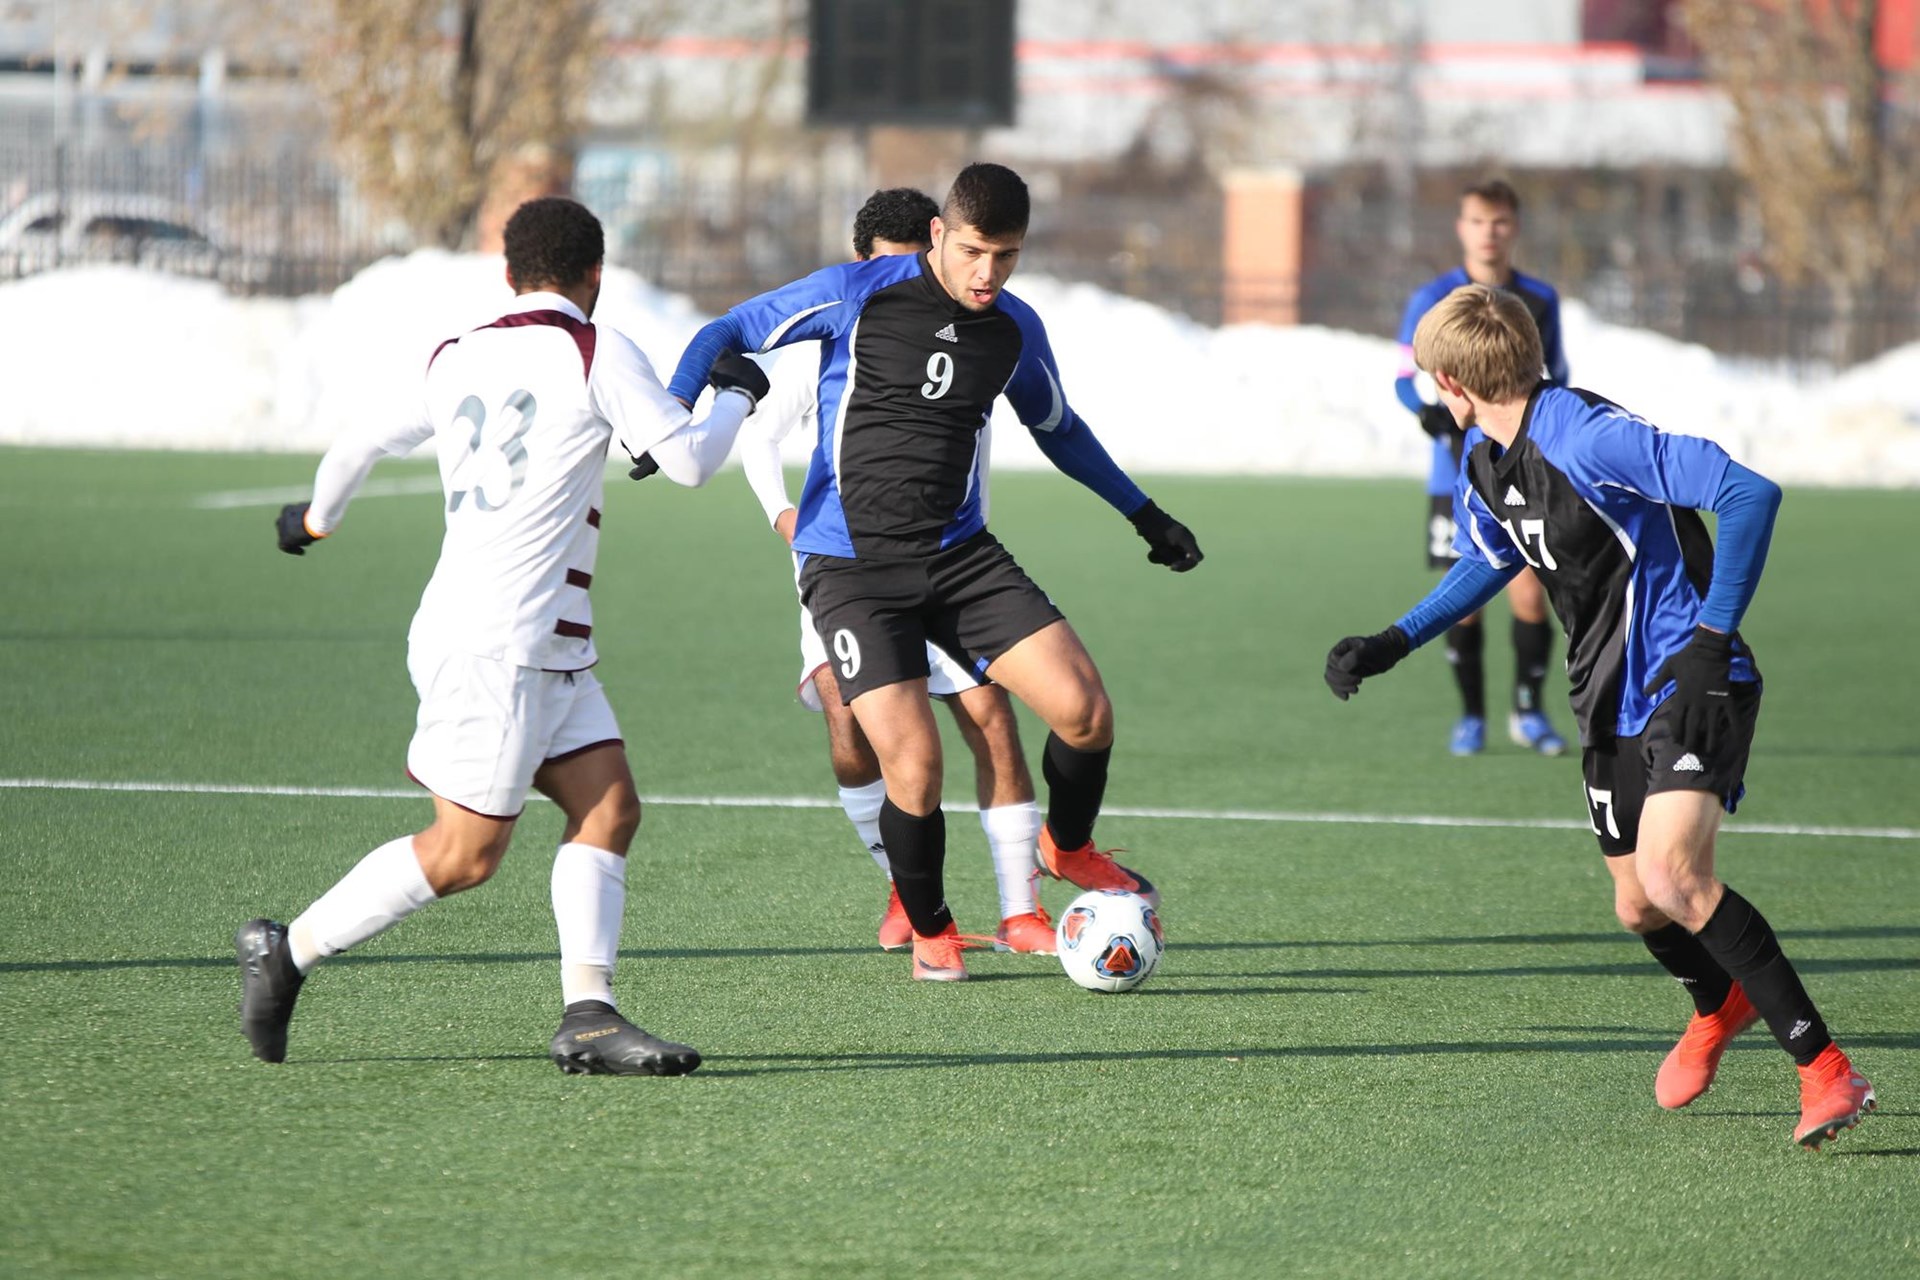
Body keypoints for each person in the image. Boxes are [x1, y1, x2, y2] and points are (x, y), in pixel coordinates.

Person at [1326, 283, 1876, 1149]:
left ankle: (1828, 1072)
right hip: (1605, 700)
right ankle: (1716, 1004)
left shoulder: (1585, 434)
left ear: (1449, 383)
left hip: (1694, 679)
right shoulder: (1484, 462)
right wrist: (1394, 640)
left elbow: (1748, 494)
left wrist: (1709, 640)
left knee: (1673, 876)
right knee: (1638, 906)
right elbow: (1489, 562)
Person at [238, 196, 770, 1074]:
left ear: (510, 272)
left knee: (608, 806)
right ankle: (287, 952)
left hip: (537, 639)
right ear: (594, 276)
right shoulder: (592, 348)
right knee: (464, 854)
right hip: (499, 643)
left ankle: (589, 1015)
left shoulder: (457, 354)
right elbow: (688, 463)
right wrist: (740, 396)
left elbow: (362, 440)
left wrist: (315, 520)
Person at [668, 161, 1202, 981]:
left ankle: (1068, 846)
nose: (989, 274)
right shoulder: (857, 292)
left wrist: (1144, 514)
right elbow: (726, 332)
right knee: (914, 766)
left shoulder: (1014, 328)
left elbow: (1060, 429)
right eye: (976, 252)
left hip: (961, 559)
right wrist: (672, 413)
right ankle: (930, 930)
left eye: (1009, 256)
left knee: (1085, 712)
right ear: (939, 236)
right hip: (850, 568)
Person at [736, 187, 1054, 955]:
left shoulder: (978, 330)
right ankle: (904, 891)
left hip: (945, 560)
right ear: (861, 264)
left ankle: (1021, 913)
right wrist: (782, 513)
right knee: (854, 729)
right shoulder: (838, 331)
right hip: (843, 563)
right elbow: (756, 437)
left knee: (993, 718)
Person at [1395, 179, 1568, 758]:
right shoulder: (1433, 297)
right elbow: (1404, 375)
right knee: (1461, 602)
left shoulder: (1540, 300)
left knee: (1527, 596)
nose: (1488, 232)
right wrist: (1424, 411)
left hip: (1522, 471)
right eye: (1476, 221)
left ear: (1513, 228)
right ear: (1461, 227)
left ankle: (1529, 712)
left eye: (1498, 222)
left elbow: (1555, 375)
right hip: (1453, 476)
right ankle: (1470, 718)